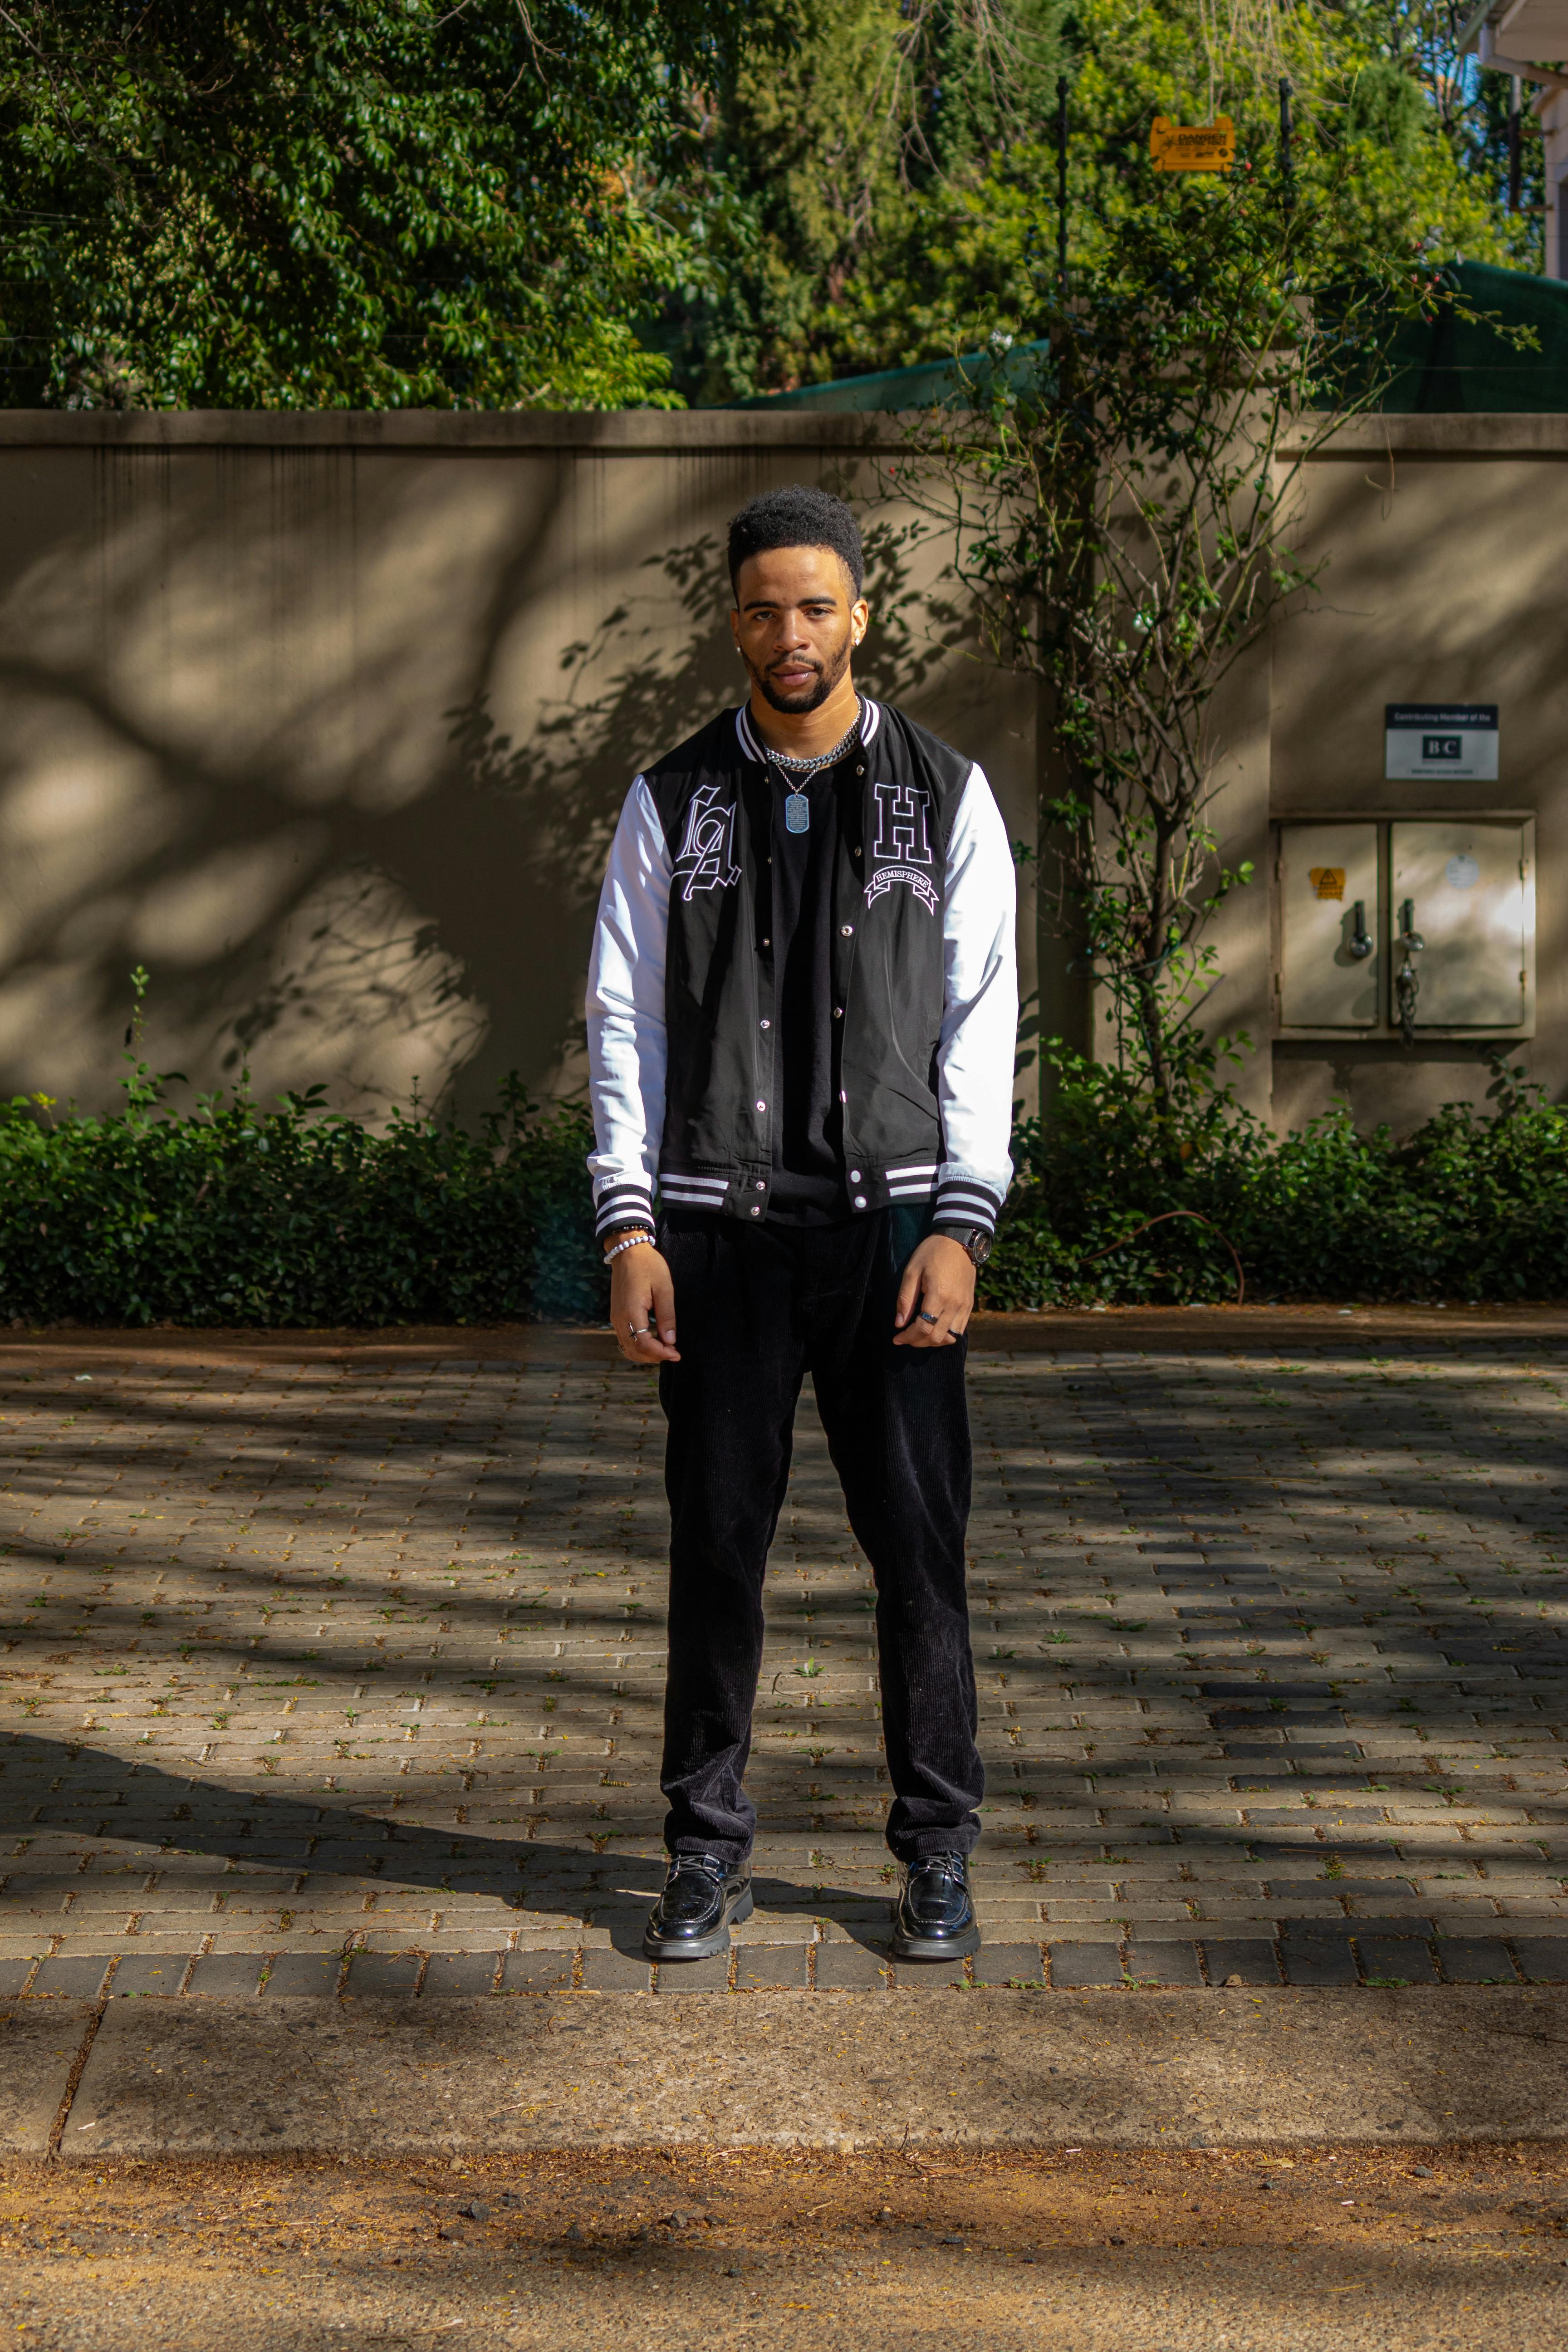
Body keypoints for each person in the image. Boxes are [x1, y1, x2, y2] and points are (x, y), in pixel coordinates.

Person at [584, 484, 1017, 1965]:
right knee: (717, 1549)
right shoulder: (673, 800)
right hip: (720, 1237)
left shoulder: (944, 794)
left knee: (922, 1552)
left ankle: (938, 1845)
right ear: (734, 624)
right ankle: (705, 1848)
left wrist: (964, 1223)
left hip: (896, 1234)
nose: (793, 634)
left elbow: (982, 1018)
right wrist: (629, 1230)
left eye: (817, 606)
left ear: (860, 616)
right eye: (766, 609)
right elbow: (625, 1021)